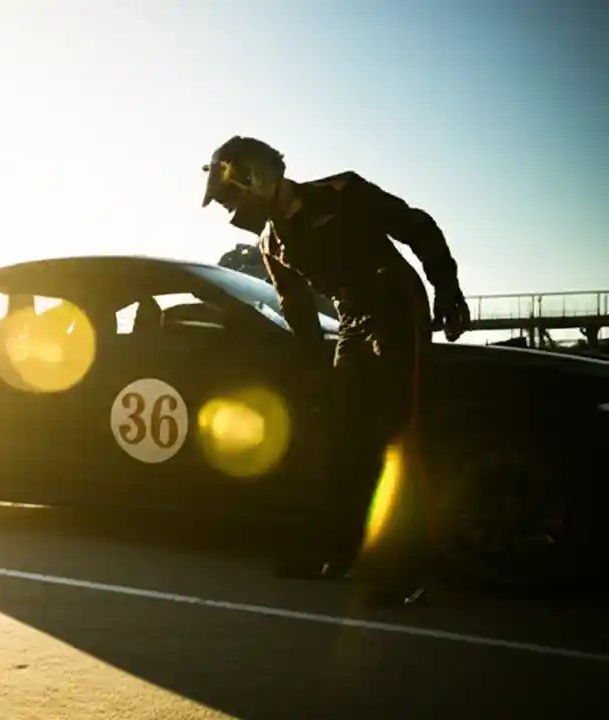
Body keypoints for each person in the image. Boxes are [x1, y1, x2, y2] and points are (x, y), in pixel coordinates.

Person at [200, 135, 471, 605]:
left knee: (396, 435)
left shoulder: (343, 193)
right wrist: (315, 370)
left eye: (229, 196)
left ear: (256, 175)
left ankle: (411, 573)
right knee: (344, 442)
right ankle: (335, 554)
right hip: (350, 323)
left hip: (395, 306)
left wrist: (447, 288)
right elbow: (296, 308)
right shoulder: (270, 243)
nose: (229, 211)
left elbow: (417, 226)